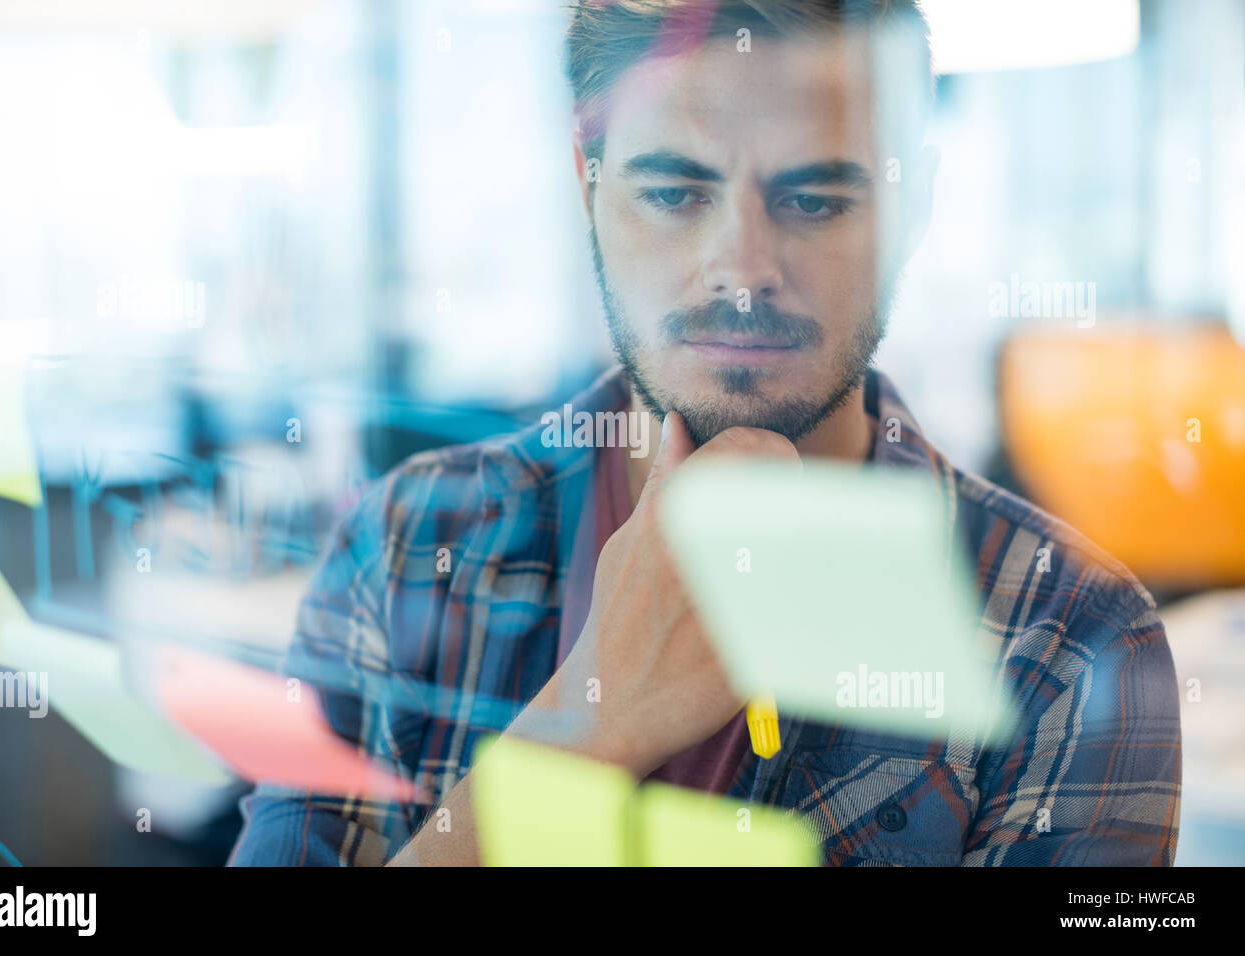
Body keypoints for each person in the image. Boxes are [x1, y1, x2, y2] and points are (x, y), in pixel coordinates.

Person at [230, 0, 1180, 866]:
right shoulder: (403, 543)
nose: (742, 270)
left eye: (815, 199)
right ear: (588, 183)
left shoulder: (1075, 639)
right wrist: (589, 723)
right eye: (676, 194)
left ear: (913, 205)